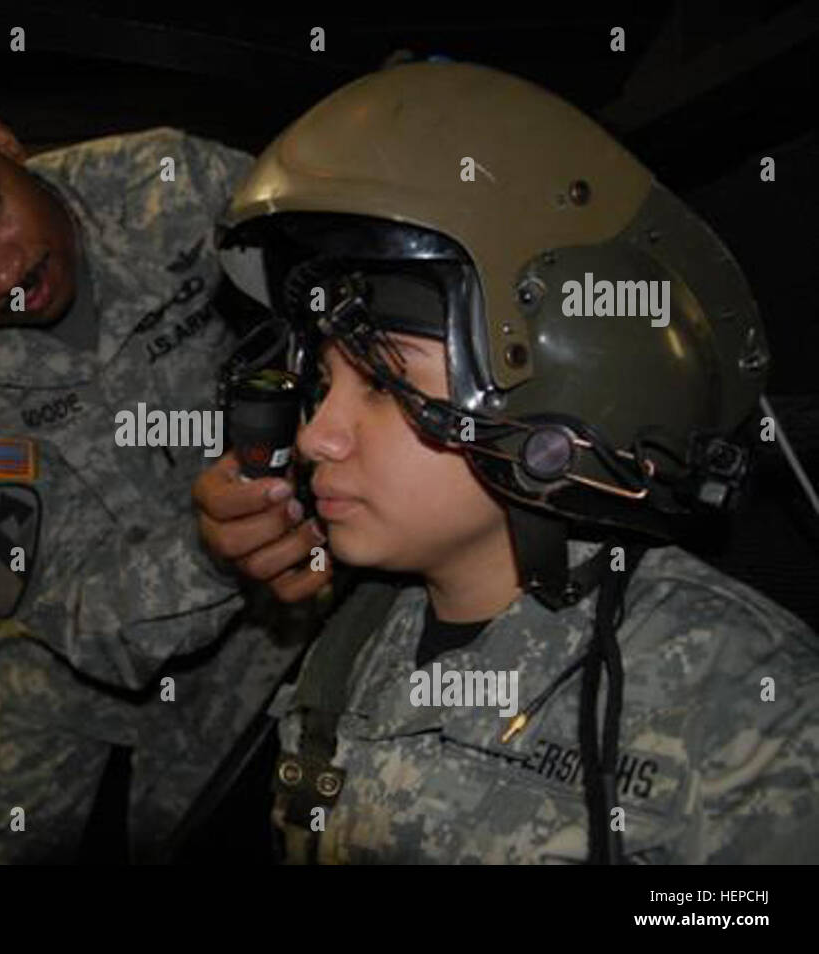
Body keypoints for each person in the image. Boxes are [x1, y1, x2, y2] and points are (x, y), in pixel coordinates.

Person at [198, 60, 819, 863]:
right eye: (323, 385)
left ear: (561, 396)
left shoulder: (750, 710)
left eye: (386, 383)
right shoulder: (353, 645)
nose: (318, 436)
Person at [0, 79, 322, 862]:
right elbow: (66, 605)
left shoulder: (169, 183)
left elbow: (337, 294)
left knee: (207, 838)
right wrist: (209, 554)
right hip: (52, 663)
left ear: (2, 137)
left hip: (252, 629)